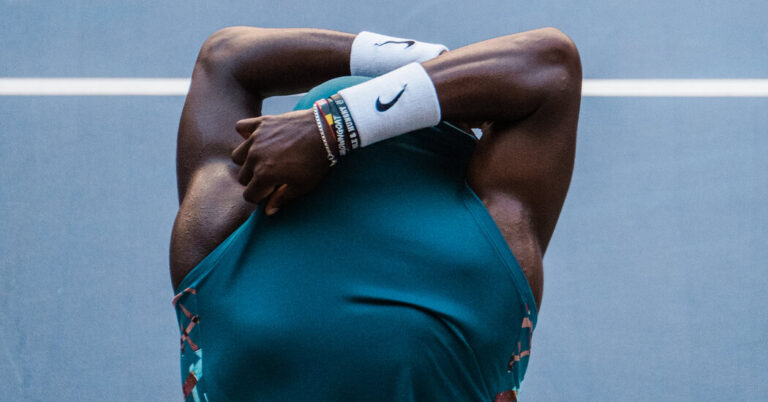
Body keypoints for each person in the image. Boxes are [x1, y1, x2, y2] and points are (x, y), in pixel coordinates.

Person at [170, 26, 580, 401]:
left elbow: (225, 58)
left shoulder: (220, 239)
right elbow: (548, 64)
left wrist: (336, 122)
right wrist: (333, 127)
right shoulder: (492, 249)